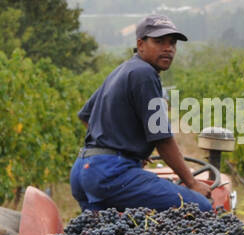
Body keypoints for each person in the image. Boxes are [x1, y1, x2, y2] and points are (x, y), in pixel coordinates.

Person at [71, 15, 213, 212]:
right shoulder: (145, 74)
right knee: (198, 208)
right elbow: (162, 140)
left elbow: (85, 116)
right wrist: (192, 183)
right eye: (159, 41)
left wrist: (128, 147)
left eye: (172, 43)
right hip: (111, 173)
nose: (168, 48)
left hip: (84, 170)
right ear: (140, 44)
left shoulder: (122, 70)